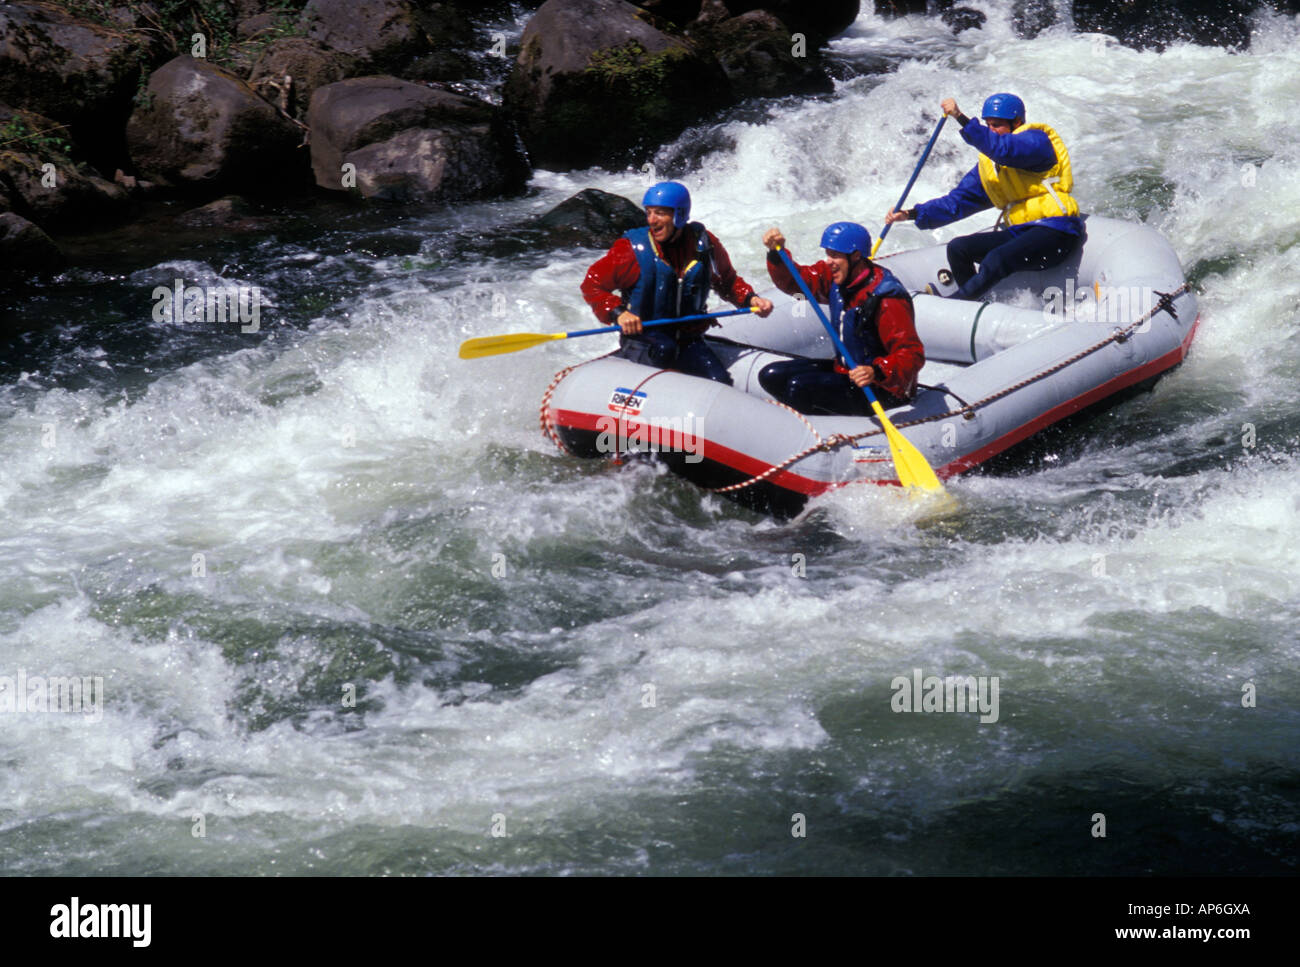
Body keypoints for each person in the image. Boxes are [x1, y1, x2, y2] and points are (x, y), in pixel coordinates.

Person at [885, 93, 1083, 300]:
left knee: (997, 258)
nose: (992, 131)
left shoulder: (1035, 141)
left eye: (997, 125)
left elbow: (1005, 150)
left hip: (1056, 231)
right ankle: (975, 306)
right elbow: (956, 203)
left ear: (1017, 123)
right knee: (958, 248)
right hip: (1020, 232)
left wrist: (960, 117)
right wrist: (911, 214)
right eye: (988, 125)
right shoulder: (990, 169)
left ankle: (958, 302)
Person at [581, 181, 773, 385]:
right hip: (642, 340)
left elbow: (727, 281)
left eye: (661, 213)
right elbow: (592, 285)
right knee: (665, 349)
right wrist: (618, 313)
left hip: (689, 340)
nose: (652, 221)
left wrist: (750, 299)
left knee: (719, 381)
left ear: (679, 215)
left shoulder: (705, 244)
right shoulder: (630, 250)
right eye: (649, 212)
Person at [759, 222, 924, 415]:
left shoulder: (886, 299)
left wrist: (876, 371)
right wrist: (776, 255)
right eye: (828, 254)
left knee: (798, 388)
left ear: (855, 257)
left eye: (835, 255)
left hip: (883, 388)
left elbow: (912, 354)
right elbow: (796, 282)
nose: (829, 261)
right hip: (845, 371)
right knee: (771, 376)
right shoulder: (836, 278)